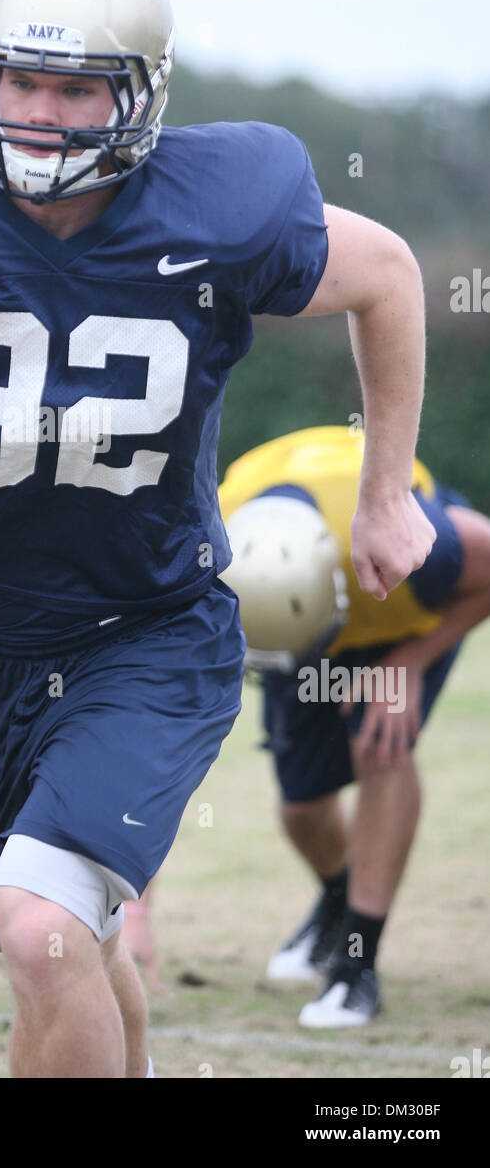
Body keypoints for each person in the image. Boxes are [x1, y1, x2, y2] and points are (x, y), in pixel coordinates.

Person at [0, 0, 436, 1078]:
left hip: (153, 626)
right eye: (17, 80)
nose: (38, 113)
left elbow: (384, 274)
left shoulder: (223, 203)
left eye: (75, 87)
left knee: (41, 930)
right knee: (54, 936)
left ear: (137, 97)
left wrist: (384, 490)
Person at [218, 424, 490, 1028]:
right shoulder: (209, 539)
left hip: (393, 606)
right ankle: (339, 901)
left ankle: (356, 963)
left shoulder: (414, 540)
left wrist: (409, 664)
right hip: (300, 631)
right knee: (301, 807)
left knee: (380, 744)